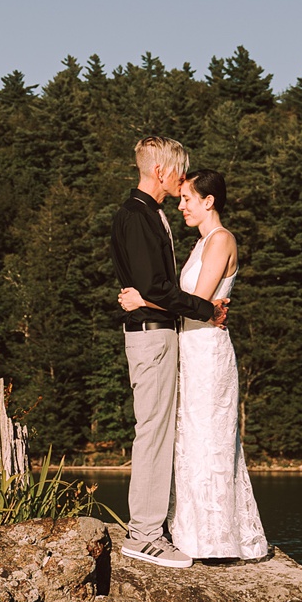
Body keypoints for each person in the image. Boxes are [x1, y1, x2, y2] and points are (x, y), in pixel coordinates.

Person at [111, 137, 228, 568]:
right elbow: (156, 288)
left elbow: (150, 290)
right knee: (154, 432)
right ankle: (144, 535)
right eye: (179, 171)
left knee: (159, 430)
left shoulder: (147, 213)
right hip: (152, 337)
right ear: (160, 171)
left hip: (159, 332)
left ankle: (152, 528)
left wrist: (145, 298)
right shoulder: (136, 216)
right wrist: (206, 310)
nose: (183, 181)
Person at [167, 168, 268, 561]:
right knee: (191, 438)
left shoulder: (222, 239)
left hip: (208, 351)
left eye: (187, 199)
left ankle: (216, 540)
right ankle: (191, 535)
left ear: (208, 201)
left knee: (210, 438)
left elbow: (197, 300)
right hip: (190, 347)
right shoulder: (201, 242)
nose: (181, 206)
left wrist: (144, 300)